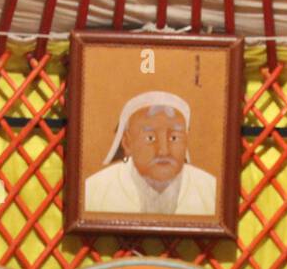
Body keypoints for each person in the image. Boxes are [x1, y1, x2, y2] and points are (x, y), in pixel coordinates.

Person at [84, 91, 217, 215]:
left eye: (174, 138)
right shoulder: (94, 191)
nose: (163, 151)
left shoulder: (211, 190)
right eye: (150, 138)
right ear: (127, 142)